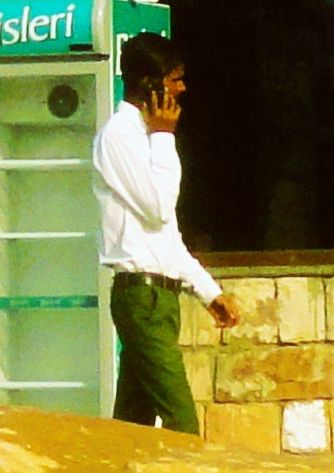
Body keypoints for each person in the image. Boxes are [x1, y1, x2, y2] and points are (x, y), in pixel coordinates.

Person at [94, 33, 236, 430]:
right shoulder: (121, 135)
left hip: (160, 298)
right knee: (182, 423)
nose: (181, 89)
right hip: (141, 298)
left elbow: (166, 237)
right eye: (175, 79)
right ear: (149, 83)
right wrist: (164, 136)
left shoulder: (145, 136)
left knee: (132, 426)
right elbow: (159, 209)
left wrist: (207, 291)